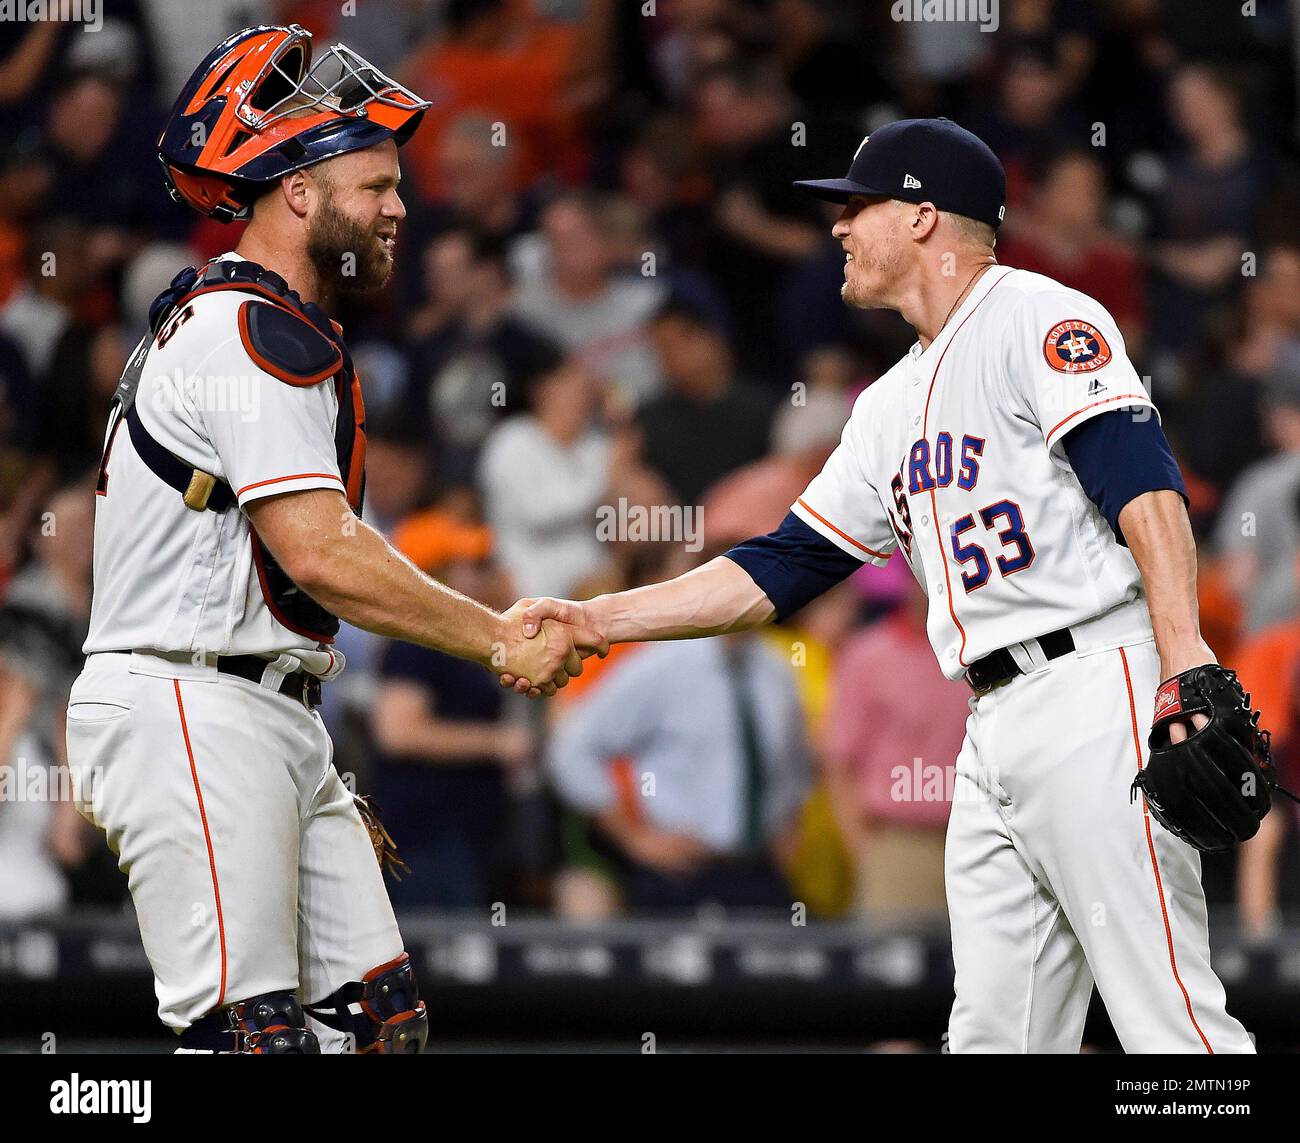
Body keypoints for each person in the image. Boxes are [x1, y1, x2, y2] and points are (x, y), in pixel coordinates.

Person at [506, 118, 1257, 1053]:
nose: (838, 228)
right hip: (991, 721)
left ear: (925, 217)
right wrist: (596, 617)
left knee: (1169, 1016)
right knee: (994, 1034)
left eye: (858, 207)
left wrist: (1182, 654)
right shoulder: (888, 405)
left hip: (1094, 680)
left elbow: (1143, 482)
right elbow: (778, 568)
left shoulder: (1038, 316)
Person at [64, 24, 604, 1057]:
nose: (399, 207)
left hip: (260, 703)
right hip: (191, 700)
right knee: (246, 1042)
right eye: (375, 185)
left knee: (375, 1028)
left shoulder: (261, 321)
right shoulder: (242, 330)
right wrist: (497, 638)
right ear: (297, 192)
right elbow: (319, 550)